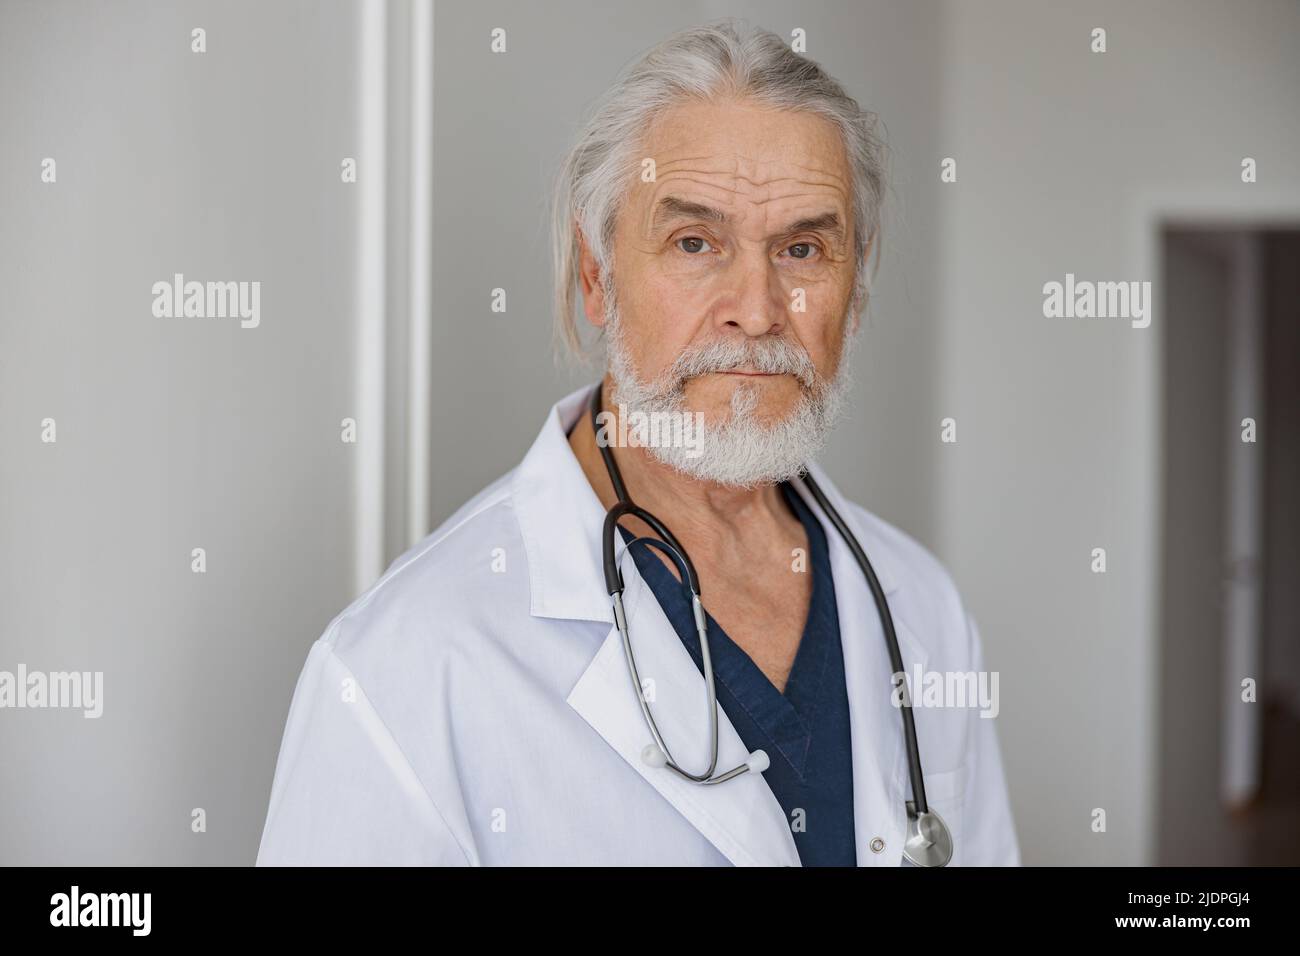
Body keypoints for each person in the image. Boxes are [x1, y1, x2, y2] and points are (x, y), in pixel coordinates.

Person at [256, 19, 1019, 867]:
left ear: (857, 283)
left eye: (804, 249)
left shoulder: (920, 608)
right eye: (696, 243)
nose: (758, 311)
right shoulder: (404, 666)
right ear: (597, 277)